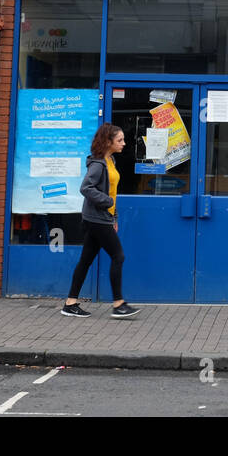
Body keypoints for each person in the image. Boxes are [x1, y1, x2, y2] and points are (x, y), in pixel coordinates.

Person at [62, 124, 141, 319]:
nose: (124, 143)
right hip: (96, 219)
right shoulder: (98, 164)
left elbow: (110, 189)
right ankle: (119, 304)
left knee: (86, 260)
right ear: (108, 142)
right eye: (119, 140)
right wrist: (107, 203)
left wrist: (114, 216)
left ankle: (70, 303)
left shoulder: (110, 160)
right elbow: (86, 188)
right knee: (118, 256)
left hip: (102, 218)